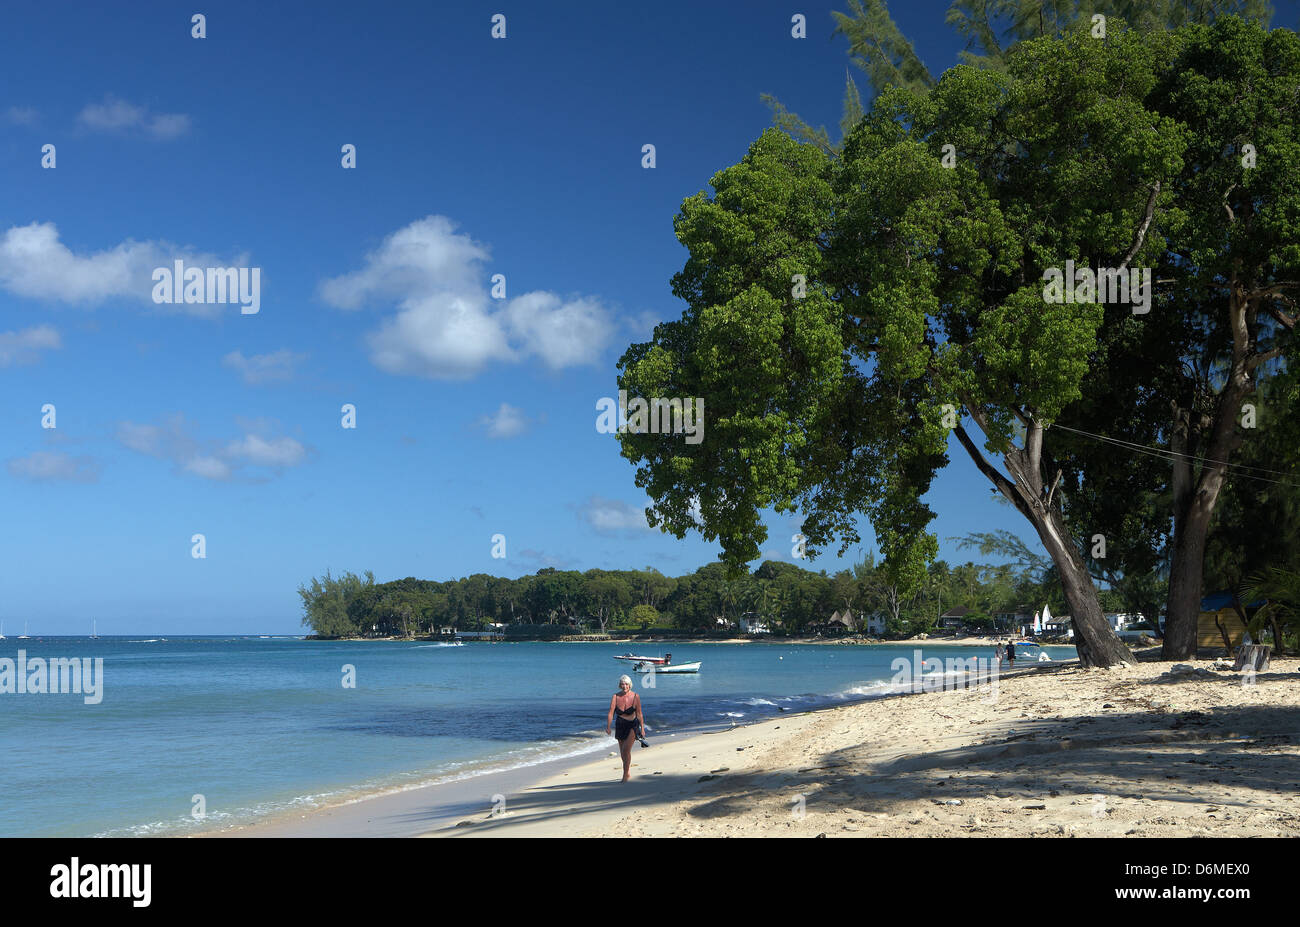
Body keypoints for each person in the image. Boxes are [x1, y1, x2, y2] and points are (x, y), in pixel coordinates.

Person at [606, 675, 648, 782]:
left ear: (630, 685)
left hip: (632, 725)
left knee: (626, 750)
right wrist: (608, 726)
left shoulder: (635, 697)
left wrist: (642, 728)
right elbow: (611, 712)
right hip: (620, 725)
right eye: (622, 684)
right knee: (622, 752)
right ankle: (627, 771)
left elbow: (639, 714)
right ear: (620, 685)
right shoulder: (615, 697)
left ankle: (625, 775)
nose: (624, 686)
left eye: (626, 684)